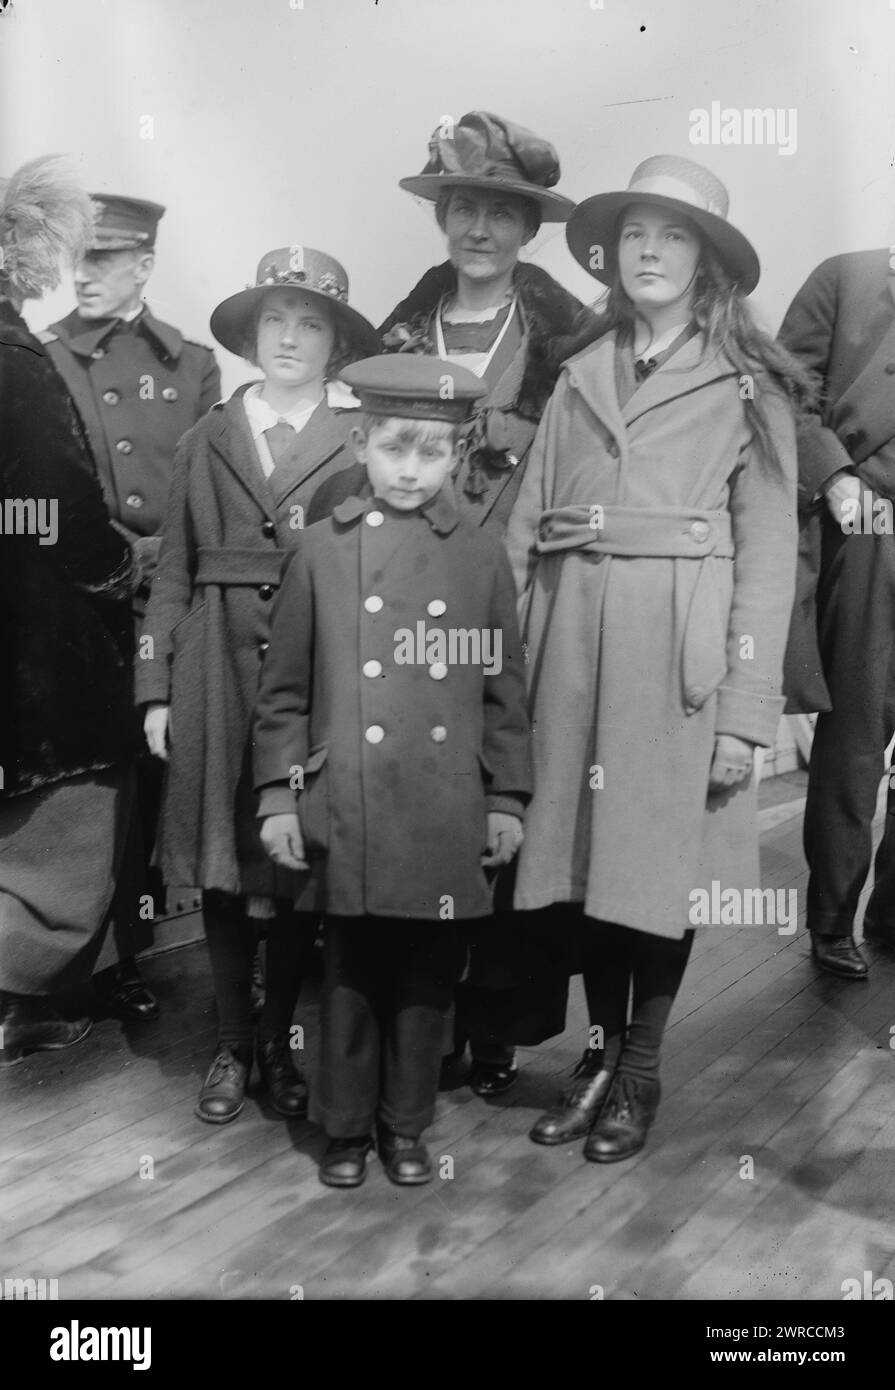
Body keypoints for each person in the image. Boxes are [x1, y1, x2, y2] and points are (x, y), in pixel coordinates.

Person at [506, 154, 813, 1163]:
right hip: (566, 652)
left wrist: (743, 709)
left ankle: (638, 1066)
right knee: (588, 862)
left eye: (674, 235)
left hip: (677, 656)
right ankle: (595, 1056)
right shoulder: (578, 368)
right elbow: (522, 527)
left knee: (656, 868)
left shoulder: (749, 385)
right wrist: (502, 670)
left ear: (707, 263)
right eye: (635, 232)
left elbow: (769, 556)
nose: (649, 249)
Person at [309, 109, 596, 1098]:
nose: (477, 228)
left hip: (518, 590)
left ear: (528, 229)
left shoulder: (569, 338)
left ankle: (498, 1025)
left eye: (499, 212)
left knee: (504, 789)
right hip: (406, 595)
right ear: (443, 218)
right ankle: (401, 1028)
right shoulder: (402, 326)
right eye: (461, 207)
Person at [253, 354, 532, 1188]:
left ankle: (404, 1126)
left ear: (457, 454)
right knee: (347, 974)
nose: (410, 471)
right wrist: (277, 796)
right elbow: (284, 695)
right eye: (393, 450)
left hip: (442, 805)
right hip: (349, 803)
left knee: (424, 980)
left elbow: (500, 695)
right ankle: (342, 1129)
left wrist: (505, 798)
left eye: (431, 453)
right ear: (362, 445)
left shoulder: (479, 559)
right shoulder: (321, 554)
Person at [136, 245, 378, 1124]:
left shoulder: (359, 439)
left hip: (313, 672)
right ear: (249, 332)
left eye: (311, 322)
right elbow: (171, 569)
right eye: (274, 319)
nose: (289, 337)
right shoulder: (206, 435)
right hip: (212, 672)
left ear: (334, 342)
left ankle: (282, 1047)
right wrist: (156, 687)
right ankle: (233, 1044)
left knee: (291, 863)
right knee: (225, 870)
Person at [39, 194, 222, 1024]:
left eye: (102, 259)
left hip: (162, 603)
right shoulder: (43, 359)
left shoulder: (193, 364)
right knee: (88, 786)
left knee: (152, 776)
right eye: (77, 256)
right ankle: (80, 966)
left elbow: (203, 490)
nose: (81, 273)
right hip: (74, 604)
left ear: (143, 266)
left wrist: (159, 568)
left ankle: (134, 954)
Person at [0, 157, 138, 1062]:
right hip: (35, 632)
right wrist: (119, 566)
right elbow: (56, 505)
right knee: (63, 816)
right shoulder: (15, 359)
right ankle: (31, 1004)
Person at [779, 244, 895, 979]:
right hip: (870, 523)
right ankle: (830, 918)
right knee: (856, 731)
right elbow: (780, 387)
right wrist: (833, 477)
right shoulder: (845, 278)